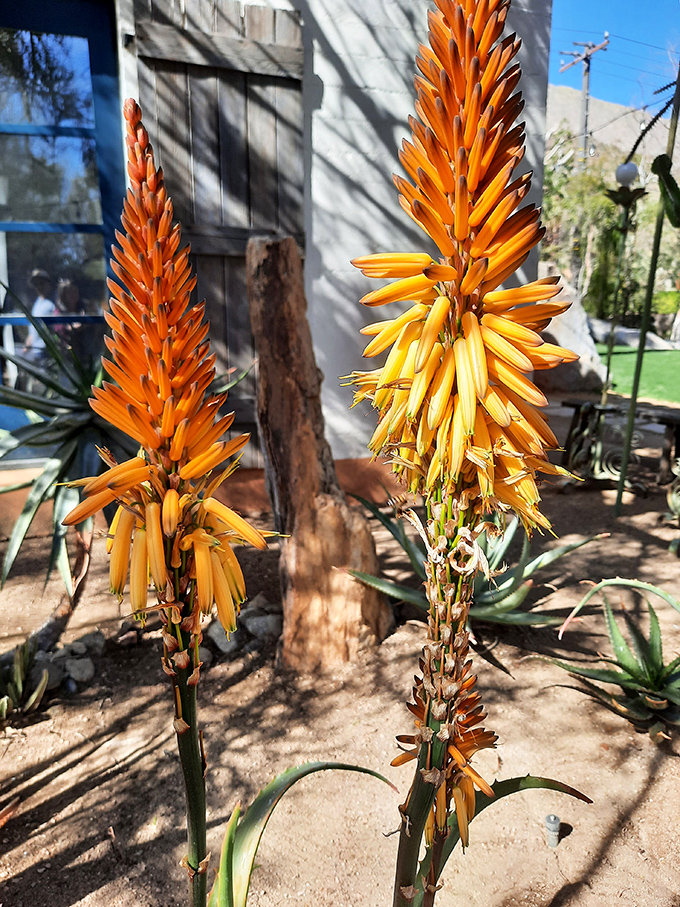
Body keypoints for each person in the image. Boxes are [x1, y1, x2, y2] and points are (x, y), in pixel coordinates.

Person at [23, 269, 57, 363]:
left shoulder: (54, 303)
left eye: (42, 283)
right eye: (36, 284)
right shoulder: (37, 302)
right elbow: (34, 326)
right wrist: (28, 344)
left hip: (48, 351)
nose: (39, 287)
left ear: (48, 284)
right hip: (36, 350)